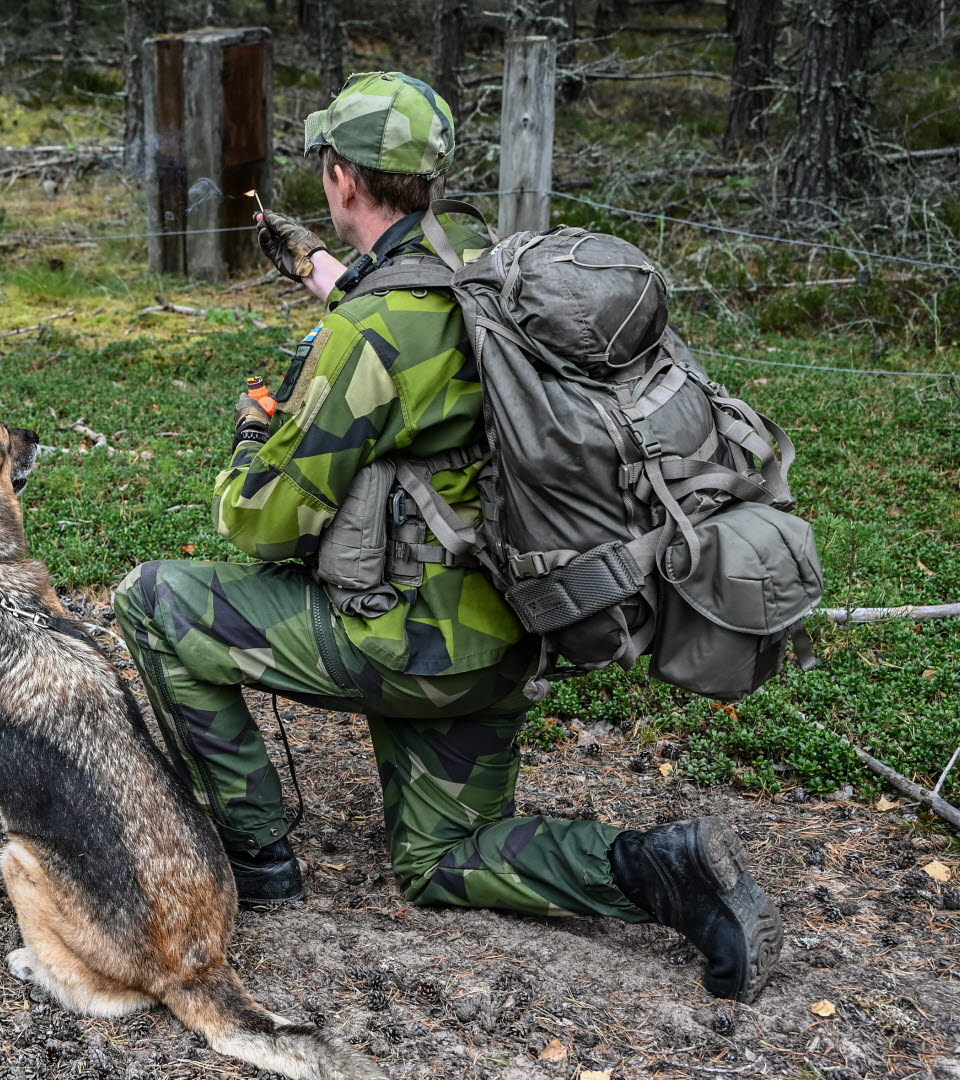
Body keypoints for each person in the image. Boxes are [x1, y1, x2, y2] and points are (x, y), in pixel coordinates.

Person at [112, 72, 784, 1002]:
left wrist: (250, 437)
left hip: (407, 649)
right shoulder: (489, 265)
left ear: (342, 177)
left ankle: (253, 854)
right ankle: (662, 870)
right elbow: (403, 301)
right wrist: (316, 267)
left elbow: (265, 523)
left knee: (154, 601)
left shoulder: (370, 335)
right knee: (442, 860)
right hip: (511, 633)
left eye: (327, 166)